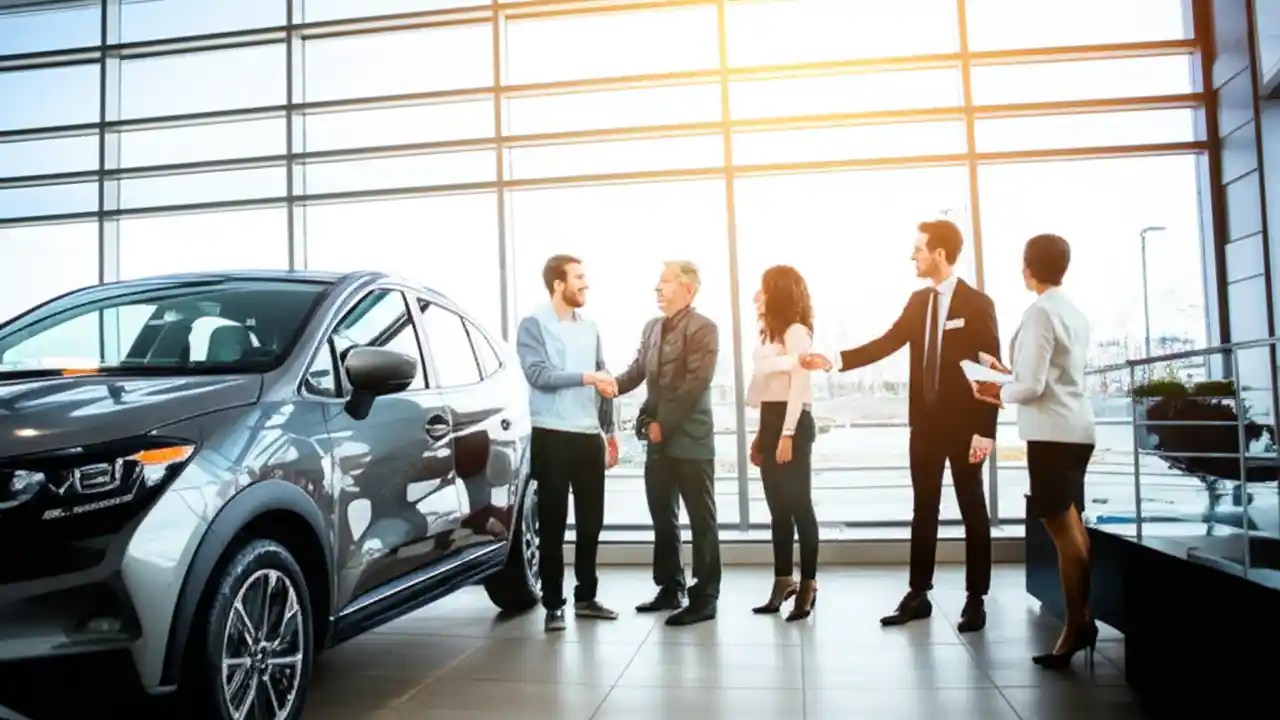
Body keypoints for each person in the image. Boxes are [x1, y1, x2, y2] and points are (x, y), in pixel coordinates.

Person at [800, 219, 999, 633]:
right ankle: (918, 594)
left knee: (972, 509)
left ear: (940, 253)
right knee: (923, 509)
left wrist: (986, 430)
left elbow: (991, 372)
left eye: (920, 249)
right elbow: (886, 342)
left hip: (965, 427)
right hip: (924, 426)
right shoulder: (917, 302)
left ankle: (976, 599)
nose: (914, 256)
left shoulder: (977, 304)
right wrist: (834, 360)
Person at [971, 233, 1098, 668]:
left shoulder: (1040, 313)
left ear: (1028, 268)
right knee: (1073, 526)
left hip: (1052, 434)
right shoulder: (1073, 313)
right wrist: (1007, 375)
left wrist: (997, 390)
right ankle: (1081, 619)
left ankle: (1078, 624)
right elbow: (1048, 376)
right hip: (1078, 429)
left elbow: (1033, 386)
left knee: (1064, 532)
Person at [609, 260, 722, 626]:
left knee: (701, 519)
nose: (658, 288)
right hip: (658, 440)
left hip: (690, 440)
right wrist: (609, 385)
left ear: (687, 289)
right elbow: (637, 370)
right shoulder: (652, 328)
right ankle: (671, 587)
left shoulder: (705, 329)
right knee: (663, 516)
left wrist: (664, 424)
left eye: (665, 282)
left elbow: (695, 384)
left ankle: (705, 596)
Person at [515, 254, 621, 633]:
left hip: (588, 438)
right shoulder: (533, 325)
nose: (585, 284)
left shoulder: (590, 325)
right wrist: (589, 378)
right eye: (578, 278)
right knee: (553, 527)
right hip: (552, 436)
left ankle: (587, 597)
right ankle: (554, 605)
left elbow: (604, 378)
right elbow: (538, 375)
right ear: (558, 284)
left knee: (591, 524)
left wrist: (608, 432)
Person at [746, 265, 820, 622]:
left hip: (794, 424)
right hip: (771, 422)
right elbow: (765, 386)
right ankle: (782, 581)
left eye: (763, 289)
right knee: (778, 511)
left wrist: (788, 434)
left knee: (799, 506)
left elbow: (799, 388)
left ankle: (807, 585)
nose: (757, 295)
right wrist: (763, 434)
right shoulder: (769, 334)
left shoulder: (796, 332)